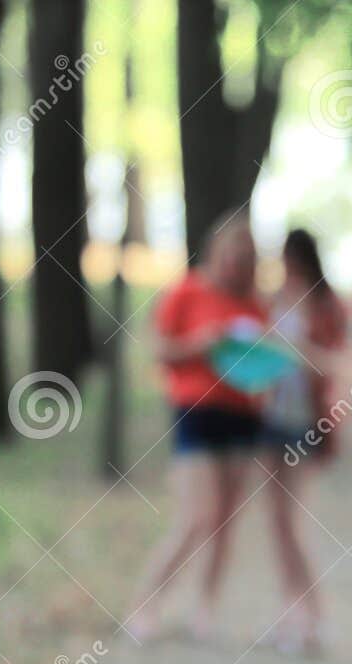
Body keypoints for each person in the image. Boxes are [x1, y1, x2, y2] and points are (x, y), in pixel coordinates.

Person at [129, 211, 268, 642]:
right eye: (231, 254)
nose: (236, 264)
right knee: (195, 517)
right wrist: (202, 344)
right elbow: (160, 351)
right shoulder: (186, 292)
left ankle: (205, 607)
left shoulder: (256, 304)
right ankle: (145, 605)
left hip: (244, 415)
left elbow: (266, 365)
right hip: (196, 412)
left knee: (226, 522)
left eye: (244, 257)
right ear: (215, 251)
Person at [260, 228, 347, 655]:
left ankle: (316, 613)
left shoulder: (324, 305)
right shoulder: (271, 298)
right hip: (268, 418)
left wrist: (299, 347)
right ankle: (289, 614)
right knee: (276, 525)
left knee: (294, 523)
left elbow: (336, 362)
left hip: (305, 421)